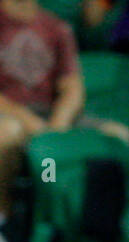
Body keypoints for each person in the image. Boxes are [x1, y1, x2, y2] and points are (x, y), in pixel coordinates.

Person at [0, 0, 84, 223]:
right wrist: (29, 122)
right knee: (7, 133)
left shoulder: (56, 26)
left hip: (48, 112)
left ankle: (65, 228)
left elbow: (72, 86)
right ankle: (3, 218)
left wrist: (58, 124)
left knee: (117, 134)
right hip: (8, 114)